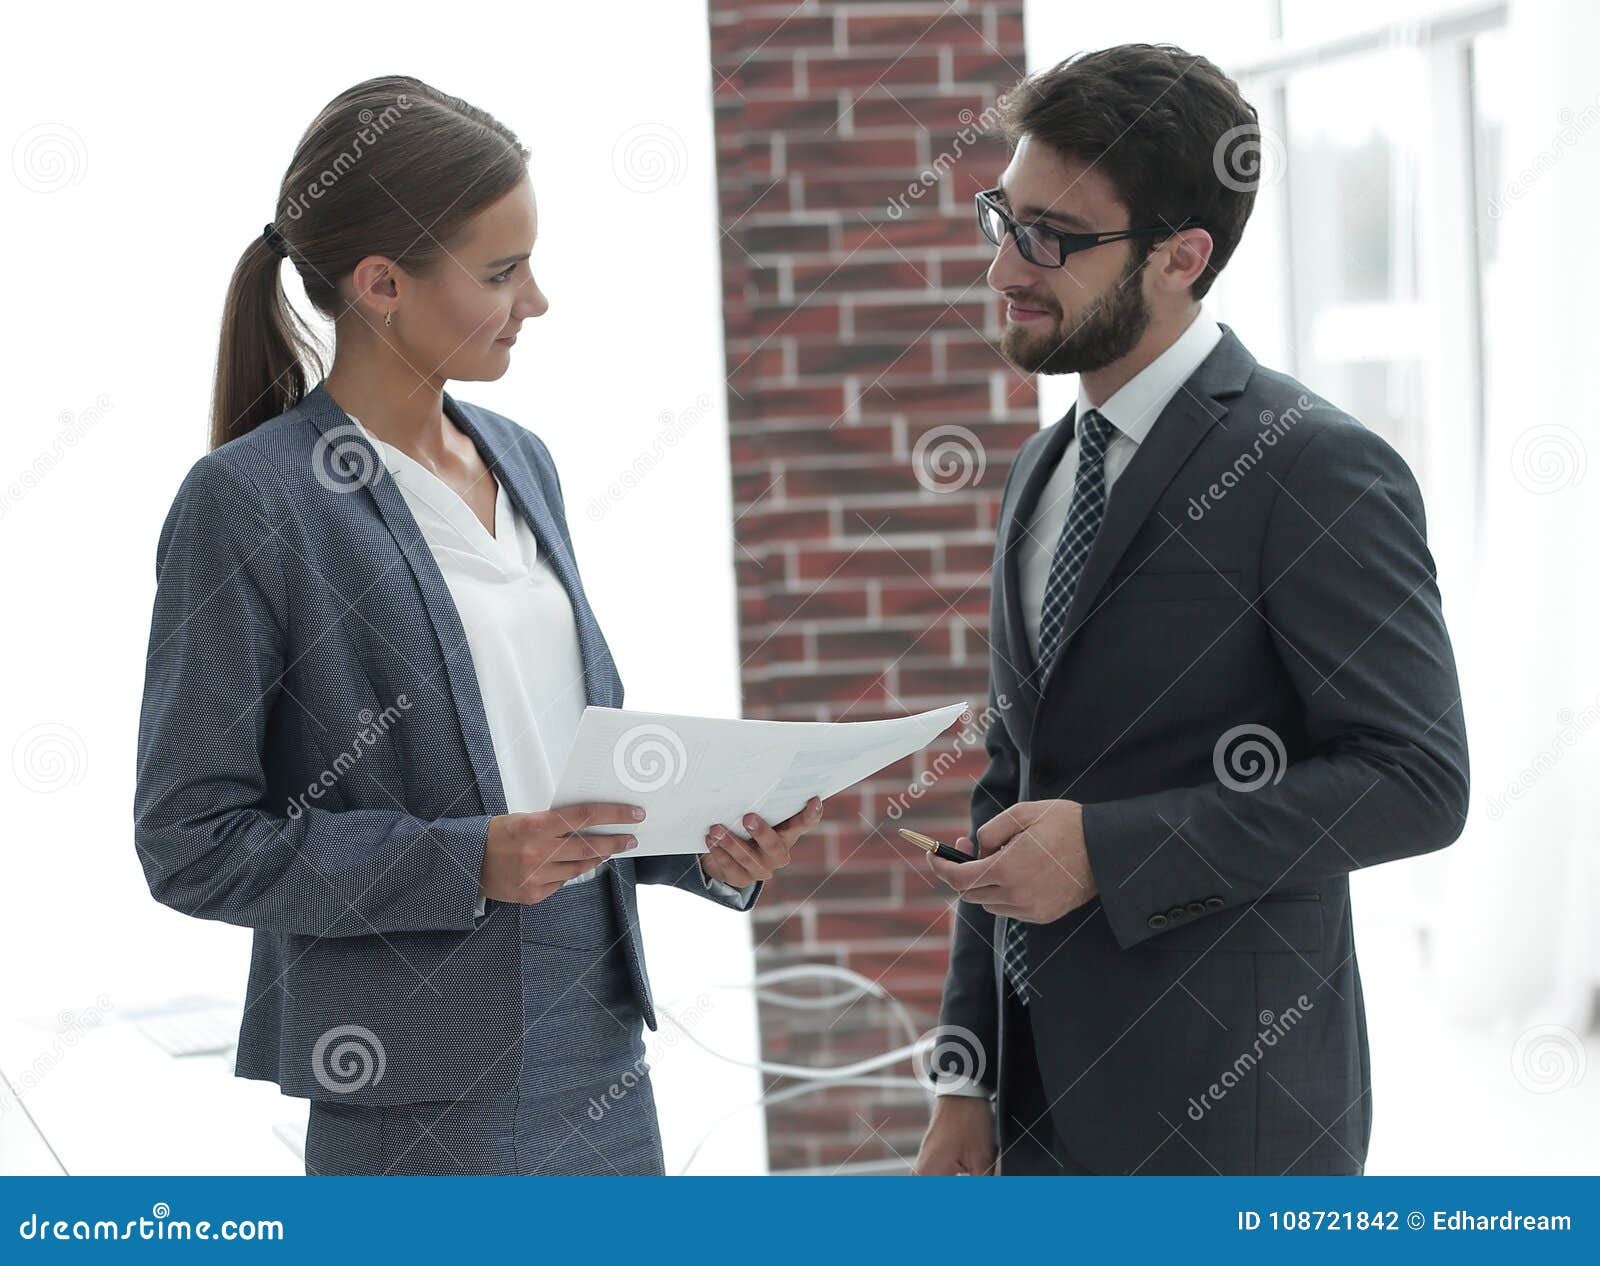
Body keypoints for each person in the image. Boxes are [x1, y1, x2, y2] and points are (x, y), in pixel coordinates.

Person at [133, 74, 822, 1176]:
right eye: (501, 273)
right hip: (418, 1089)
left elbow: (549, 762)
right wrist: (463, 862)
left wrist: (703, 840)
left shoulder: (522, 458)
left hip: (598, 1054)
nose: (535, 300)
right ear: (380, 284)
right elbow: (192, 845)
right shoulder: (248, 503)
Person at [914, 44, 1469, 1176]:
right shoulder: (1042, 470)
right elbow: (1010, 780)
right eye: (1001, 219)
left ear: (1182, 256)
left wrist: (1109, 854)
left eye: (1052, 240)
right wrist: (966, 1074)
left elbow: (1417, 781)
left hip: (1233, 1125)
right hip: (1031, 1121)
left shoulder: (1313, 468)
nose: (1004, 270)